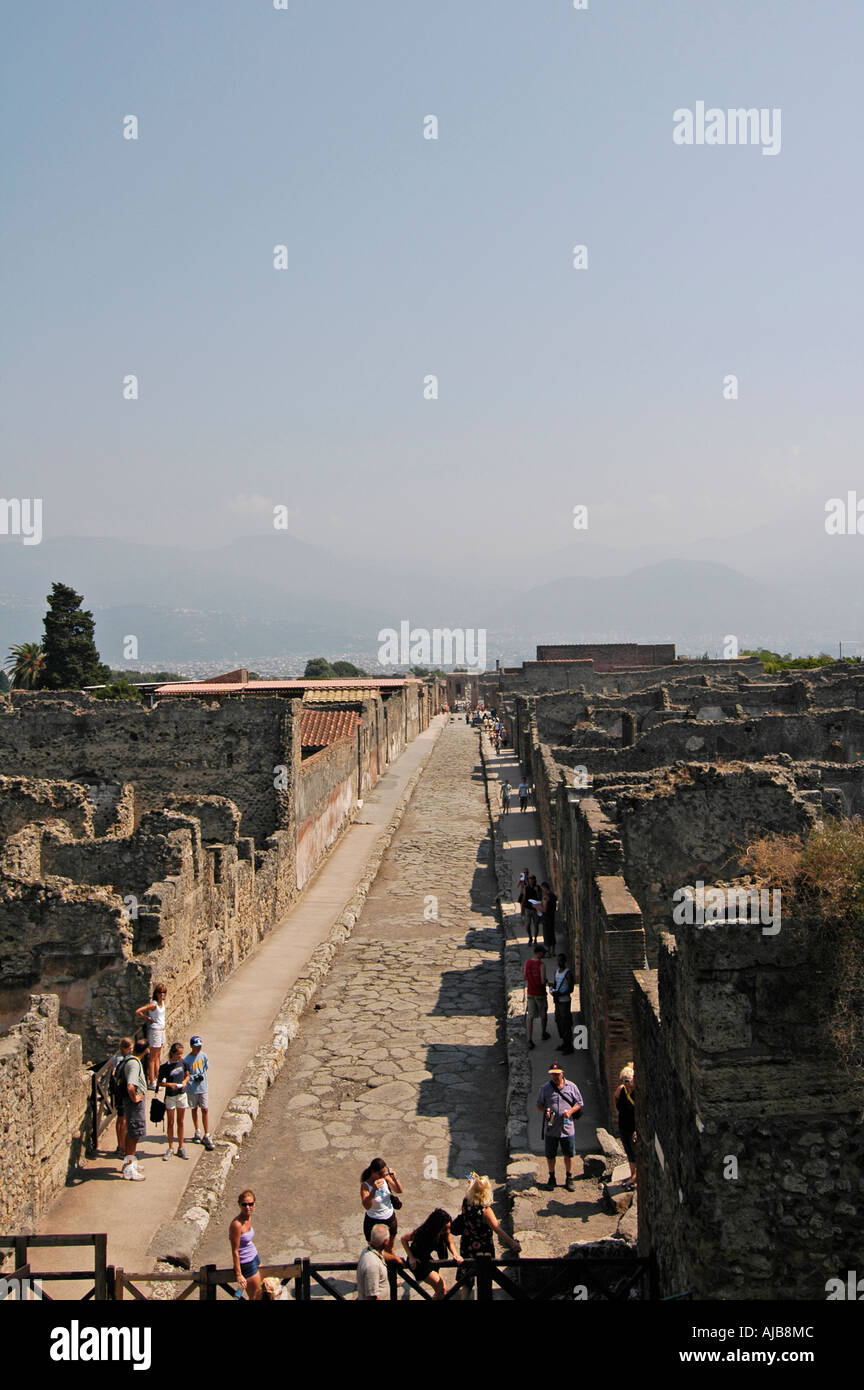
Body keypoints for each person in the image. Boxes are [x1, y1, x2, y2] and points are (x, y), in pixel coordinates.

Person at [455, 1173, 521, 1299]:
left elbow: (471, 1189)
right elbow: (498, 1229)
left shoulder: (466, 1202)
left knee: (467, 1280)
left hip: (467, 1243)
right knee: (485, 1277)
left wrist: (473, 1183)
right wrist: (513, 1244)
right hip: (483, 1247)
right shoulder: (485, 1211)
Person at [536, 1063, 583, 1192]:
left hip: (567, 1128)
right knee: (550, 1155)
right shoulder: (545, 1088)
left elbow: (579, 1103)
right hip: (552, 1127)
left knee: (569, 1154)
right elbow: (539, 1104)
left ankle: (569, 1177)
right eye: (553, 1074)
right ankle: (552, 1177)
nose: (555, 1077)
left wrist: (571, 1111)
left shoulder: (571, 1087)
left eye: (557, 1074)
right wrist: (545, 1110)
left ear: (562, 1073)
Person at [402, 1209, 460, 1300]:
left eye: (449, 1228)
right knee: (442, 1288)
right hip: (418, 1261)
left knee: (440, 1291)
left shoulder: (444, 1232)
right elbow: (403, 1239)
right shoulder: (422, 1232)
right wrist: (411, 1257)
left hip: (429, 1260)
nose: (448, 1231)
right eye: (445, 1229)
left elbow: (449, 1242)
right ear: (437, 1226)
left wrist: (455, 1254)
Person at [360, 1157, 403, 1255]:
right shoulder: (365, 1186)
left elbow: (399, 1190)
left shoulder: (385, 1178)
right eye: (380, 1173)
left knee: (390, 1249)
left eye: (384, 1172)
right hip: (373, 1221)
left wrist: (394, 1178)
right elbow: (367, 1206)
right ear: (373, 1172)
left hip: (389, 1219)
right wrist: (373, 1190)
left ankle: (391, 1269)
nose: (382, 1175)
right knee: (374, 1251)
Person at [120, 1038, 149, 1180]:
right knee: (135, 1133)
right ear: (146, 1050)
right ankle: (129, 1169)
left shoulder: (130, 1060)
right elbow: (130, 1085)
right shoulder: (134, 1064)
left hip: (132, 1103)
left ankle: (128, 1163)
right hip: (134, 1104)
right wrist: (135, 1098)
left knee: (131, 1132)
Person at [157, 1041, 190, 1159]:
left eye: (181, 1054)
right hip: (170, 1096)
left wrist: (185, 1082)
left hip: (181, 1095)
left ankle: (181, 1147)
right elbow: (160, 1083)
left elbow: (187, 1075)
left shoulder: (183, 1063)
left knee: (180, 1122)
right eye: (178, 1054)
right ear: (172, 1053)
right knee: (170, 1123)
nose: (180, 1056)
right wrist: (170, 1084)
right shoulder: (165, 1067)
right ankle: (170, 1147)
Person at [230, 1190, 263, 1299]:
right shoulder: (236, 1225)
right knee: (256, 1297)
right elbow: (235, 1251)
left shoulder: (248, 1217)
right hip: (246, 1263)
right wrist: (239, 1274)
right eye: (244, 1204)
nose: (248, 1207)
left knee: (263, 1292)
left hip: (254, 1257)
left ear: (254, 1204)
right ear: (239, 1205)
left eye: (250, 1204)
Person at [135, 983, 167, 1089]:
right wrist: (147, 1018)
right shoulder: (154, 1005)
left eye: (164, 992)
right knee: (152, 1057)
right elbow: (139, 1011)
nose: (162, 994)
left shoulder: (162, 1003)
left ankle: (158, 1077)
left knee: (158, 1055)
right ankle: (152, 1081)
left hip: (162, 1030)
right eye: (160, 992)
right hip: (155, 1031)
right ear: (156, 993)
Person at [184, 1035, 214, 1150]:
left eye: (200, 1046)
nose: (199, 1048)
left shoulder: (203, 1056)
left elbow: (206, 1067)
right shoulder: (187, 1060)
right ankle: (197, 1131)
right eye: (196, 1046)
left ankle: (207, 1134)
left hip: (203, 1087)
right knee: (194, 1109)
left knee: (205, 1109)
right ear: (191, 1046)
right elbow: (186, 1074)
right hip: (192, 1088)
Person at [109, 1036, 133, 1157]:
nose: (132, 1051)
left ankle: (121, 1145)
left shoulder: (119, 1056)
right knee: (122, 1119)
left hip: (121, 1091)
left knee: (122, 1119)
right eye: (130, 1048)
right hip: (122, 1092)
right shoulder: (120, 1059)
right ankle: (121, 1146)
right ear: (125, 1049)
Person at [614, 1064, 637, 1190]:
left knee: (636, 1151)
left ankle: (636, 1177)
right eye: (623, 1080)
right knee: (629, 1151)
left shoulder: (637, 1094)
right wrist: (617, 1111)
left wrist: (637, 1130)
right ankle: (633, 1174)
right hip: (623, 1126)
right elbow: (616, 1098)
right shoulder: (621, 1090)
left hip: (633, 1128)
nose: (625, 1083)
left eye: (627, 1081)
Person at [524, 944, 550, 1049]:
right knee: (543, 1014)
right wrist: (547, 981)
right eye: (543, 953)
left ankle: (529, 1039)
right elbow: (543, 981)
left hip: (530, 992)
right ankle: (543, 1033)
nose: (544, 955)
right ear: (539, 953)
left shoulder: (527, 963)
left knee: (530, 1016)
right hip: (540, 993)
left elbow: (525, 976)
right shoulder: (541, 965)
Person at [356, 1224, 391, 1301]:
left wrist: (395, 1259)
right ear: (386, 1242)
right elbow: (371, 1297)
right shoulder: (373, 1266)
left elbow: (382, 1254)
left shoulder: (368, 1250)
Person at [551, 954, 575, 1054]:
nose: (559, 963)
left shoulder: (568, 973)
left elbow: (571, 989)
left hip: (565, 1001)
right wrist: (553, 990)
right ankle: (565, 1042)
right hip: (558, 1001)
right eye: (558, 961)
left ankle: (569, 1046)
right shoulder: (557, 972)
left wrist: (561, 993)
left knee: (566, 1023)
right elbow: (556, 984)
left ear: (564, 962)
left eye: (560, 961)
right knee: (558, 1021)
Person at [540, 882, 558, 955]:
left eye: (542, 888)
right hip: (552, 917)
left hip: (546, 918)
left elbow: (544, 909)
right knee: (552, 934)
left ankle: (549, 952)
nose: (542, 890)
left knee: (547, 935)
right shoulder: (553, 896)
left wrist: (536, 906)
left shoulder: (546, 897)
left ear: (545, 888)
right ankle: (553, 951)